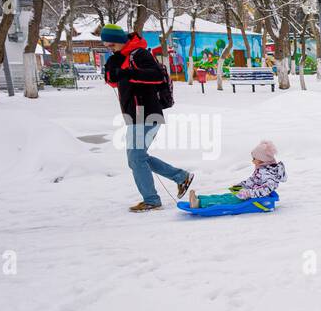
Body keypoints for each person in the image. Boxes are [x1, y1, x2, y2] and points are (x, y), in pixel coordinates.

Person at [101, 24, 193, 212]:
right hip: (134, 114)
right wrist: (112, 67)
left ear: (118, 40)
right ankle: (181, 177)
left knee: (136, 158)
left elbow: (156, 76)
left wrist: (126, 72)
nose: (109, 48)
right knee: (136, 158)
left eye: (111, 45)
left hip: (146, 111)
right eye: (107, 46)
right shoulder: (123, 57)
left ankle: (152, 199)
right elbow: (113, 80)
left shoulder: (139, 54)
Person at [187, 140, 285, 208]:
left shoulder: (270, 174)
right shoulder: (262, 169)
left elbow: (266, 189)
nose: (252, 161)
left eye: (254, 159)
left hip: (257, 200)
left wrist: (248, 193)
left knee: (227, 201)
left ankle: (199, 204)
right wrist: (241, 186)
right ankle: (199, 199)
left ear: (262, 160)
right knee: (226, 196)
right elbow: (252, 180)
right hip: (249, 194)